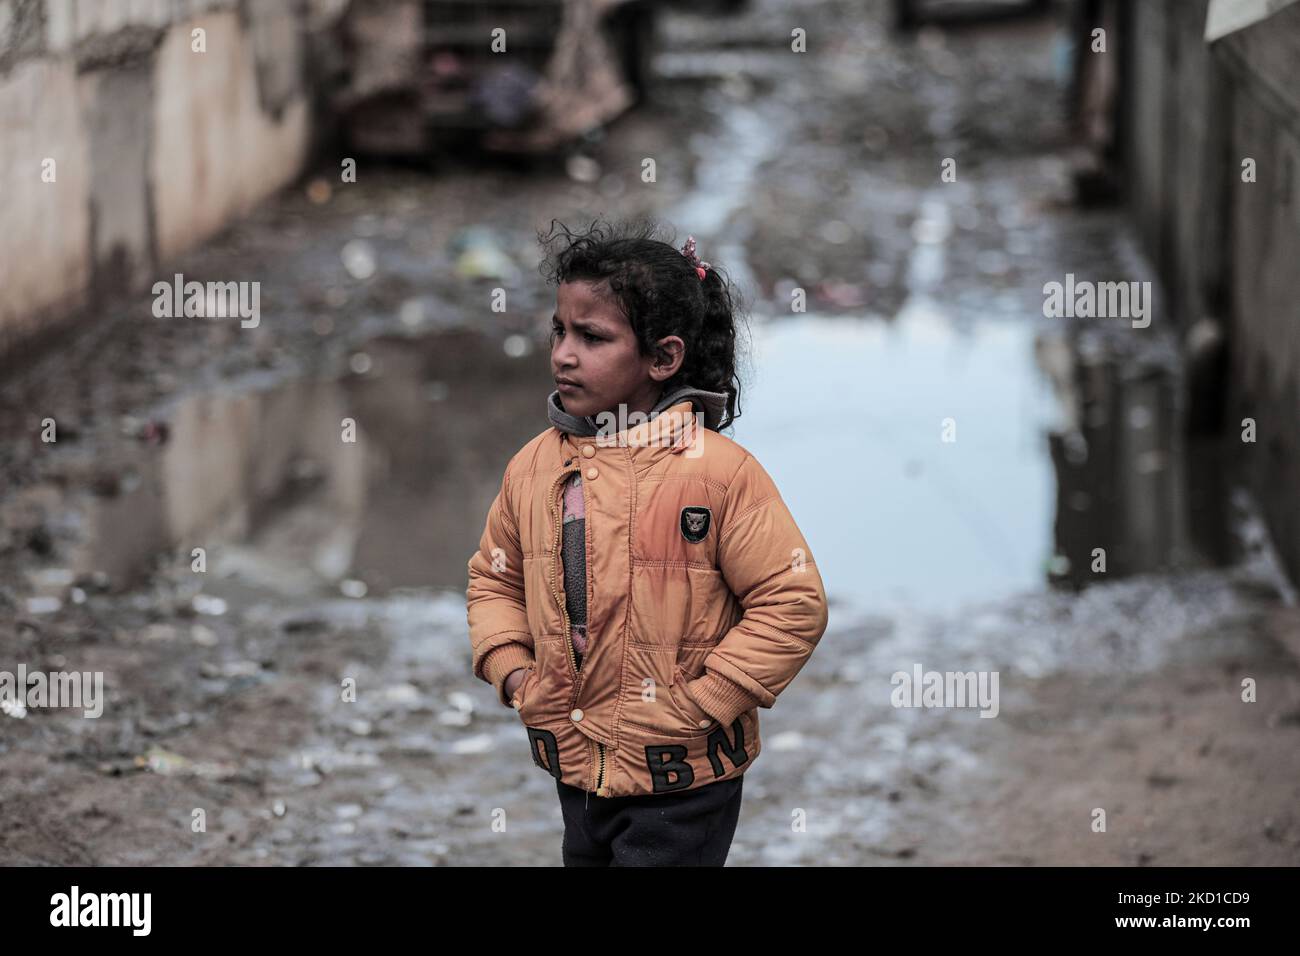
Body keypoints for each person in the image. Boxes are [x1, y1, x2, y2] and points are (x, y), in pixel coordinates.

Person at [466, 217, 829, 866]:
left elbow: (791, 603)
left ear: (663, 358)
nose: (563, 354)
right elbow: (495, 580)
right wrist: (515, 672)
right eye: (560, 331)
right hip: (576, 764)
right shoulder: (535, 467)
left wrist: (702, 704)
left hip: (682, 775)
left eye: (593, 337)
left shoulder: (716, 472)